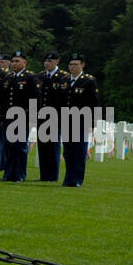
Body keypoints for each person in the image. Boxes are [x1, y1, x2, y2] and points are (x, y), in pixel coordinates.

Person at [62, 53, 99, 187]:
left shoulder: (88, 81)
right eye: (70, 64)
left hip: (82, 121)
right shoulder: (65, 80)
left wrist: (92, 123)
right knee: (68, 152)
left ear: (82, 65)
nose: (72, 67)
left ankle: (77, 179)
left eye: (76, 64)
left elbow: (94, 104)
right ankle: (68, 178)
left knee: (79, 152)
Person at [1, 51, 37, 182]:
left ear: (24, 63)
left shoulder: (30, 77)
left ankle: (19, 174)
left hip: (23, 118)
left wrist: (32, 119)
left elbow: (34, 99)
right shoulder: (8, 77)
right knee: (9, 147)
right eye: (13, 61)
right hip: (9, 118)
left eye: (17, 61)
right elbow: (4, 100)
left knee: (20, 147)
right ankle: (9, 173)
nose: (14, 64)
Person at [37, 51, 68, 182]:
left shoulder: (63, 77)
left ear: (57, 62)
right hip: (41, 116)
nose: (47, 63)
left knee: (53, 147)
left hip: (56, 117)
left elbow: (64, 100)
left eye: (50, 61)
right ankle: (44, 175)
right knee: (42, 147)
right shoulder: (40, 76)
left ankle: (53, 175)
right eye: (45, 61)